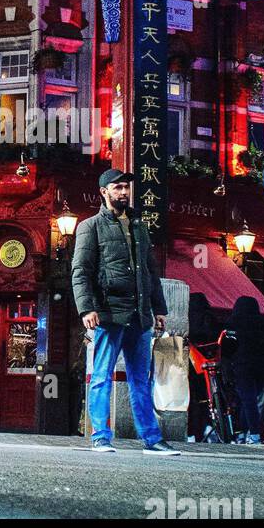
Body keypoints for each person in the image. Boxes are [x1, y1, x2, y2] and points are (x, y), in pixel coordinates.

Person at [71, 168, 179, 455]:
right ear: (104, 192)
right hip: (109, 313)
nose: (124, 192)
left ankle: (152, 439)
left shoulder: (139, 226)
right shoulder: (90, 226)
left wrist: (159, 308)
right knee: (102, 376)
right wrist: (87, 308)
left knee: (141, 380)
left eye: (126, 188)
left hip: (140, 314)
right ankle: (101, 437)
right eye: (117, 188)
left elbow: (150, 270)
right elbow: (81, 271)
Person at [222, 295, 264, 444]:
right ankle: (245, 433)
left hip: (240, 366)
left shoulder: (232, 323)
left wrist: (227, 369)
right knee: (251, 400)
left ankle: (252, 434)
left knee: (247, 400)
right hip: (260, 367)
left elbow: (226, 350)